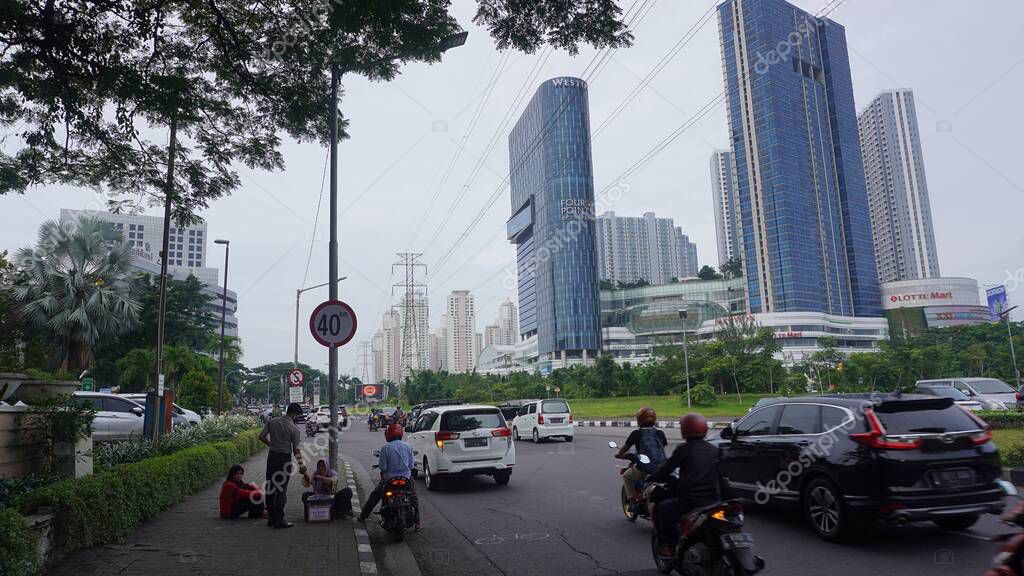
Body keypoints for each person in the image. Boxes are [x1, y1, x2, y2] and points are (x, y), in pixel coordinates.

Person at [649, 413, 729, 557]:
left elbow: (666, 469)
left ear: (685, 429)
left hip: (690, 501)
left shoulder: (684, 449)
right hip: (714, 501)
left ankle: (668, 546)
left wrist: (651, 477)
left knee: (663, 508)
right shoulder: (714, 450)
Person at [358, 423, 419, 530]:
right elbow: (411, 465)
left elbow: (383, 467)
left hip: (390, 480)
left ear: (389, 435)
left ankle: (363, 516)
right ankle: (418, 522)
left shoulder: (385, 448)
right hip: (406, 479)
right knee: (413, 497)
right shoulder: (408, 446)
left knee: (375, 495)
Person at [259, 402, 307, 529]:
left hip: (272, 457)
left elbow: (261, 436)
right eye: (297, 415)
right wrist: (301, 465)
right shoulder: (294, 429)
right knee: (281, 490)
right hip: (284, 460)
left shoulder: (272, 421)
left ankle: (271, 517)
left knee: (270, 486)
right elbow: (296, 450)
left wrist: (271, 445)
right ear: (295, 414)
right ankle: (279, 520)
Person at [614, 406, 668, 508]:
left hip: (644, 468)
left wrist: (619, 454)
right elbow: (662, 447)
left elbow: (625, 448)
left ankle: (632, 502)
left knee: (626, 476)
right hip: (661, 467)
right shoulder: (660, 433)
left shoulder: (636, 433)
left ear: (639, 419)